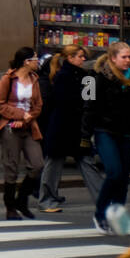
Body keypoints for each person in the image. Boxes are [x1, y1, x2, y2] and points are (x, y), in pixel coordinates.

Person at [82, 41, 130, 234]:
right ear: (112, 58)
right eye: (124, 57)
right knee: (114, 172)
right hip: (105, 131)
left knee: (123, 178)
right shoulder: (96, 77)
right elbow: (88, 108)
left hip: (127, 132)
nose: (128, 60)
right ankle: (100, 215)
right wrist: (84, 136)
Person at [38, 43, 102, 212]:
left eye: (83, 57)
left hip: (68, 126)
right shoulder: (68, 77)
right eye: (80, 56)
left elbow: (88, 103)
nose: (83, 59)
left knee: (77, 163)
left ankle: (48, 200)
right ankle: (47, 200)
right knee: (58, 164)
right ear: (70, 58)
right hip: (66, 127)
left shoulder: (79, 76)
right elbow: (82, 103)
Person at [0, 46, 44, 220]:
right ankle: (10, 208)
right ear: (26, 62)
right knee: (11, 166)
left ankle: (22, 199)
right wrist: (20, 115)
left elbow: (38, 105)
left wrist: (27, 119)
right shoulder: (8, 79)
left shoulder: (35, 79)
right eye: (36, 58)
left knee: (37, 164)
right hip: (10, 127)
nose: (38, 62)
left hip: (29, 127)